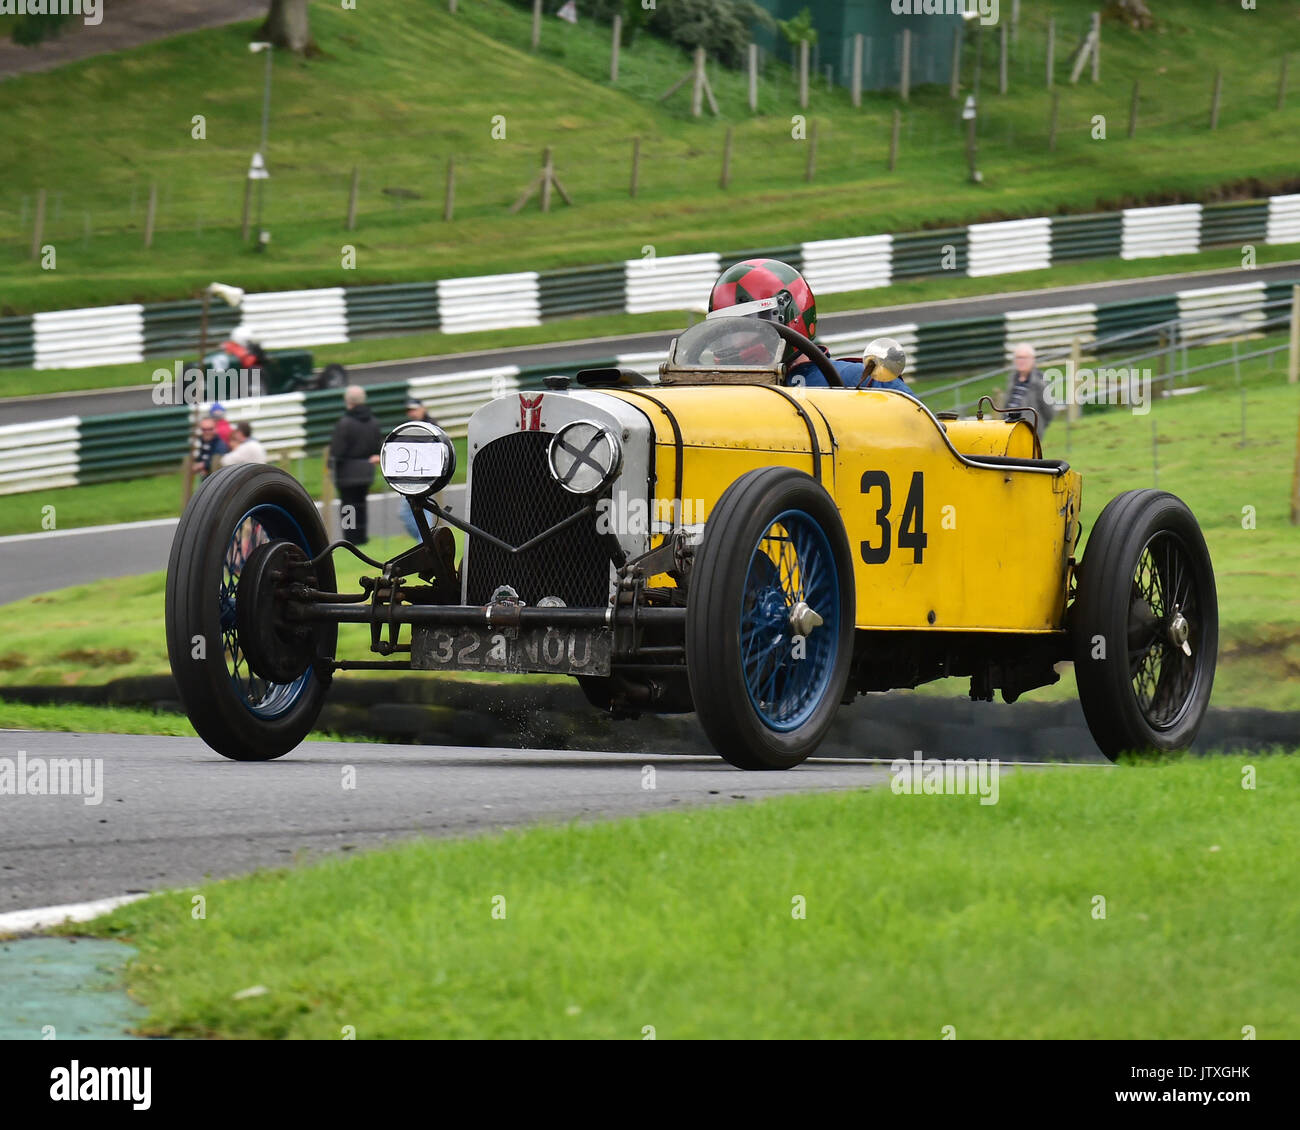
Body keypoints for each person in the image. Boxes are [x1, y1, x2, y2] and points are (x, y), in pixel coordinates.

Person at [707, 258, 914, 395]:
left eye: (742, 328)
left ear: (787, 317)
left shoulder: (861, 382)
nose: (731, 342)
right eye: (725, 331)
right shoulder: (713, 392)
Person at [329, 385, 382, 545]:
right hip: (366, 471)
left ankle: (350, 539)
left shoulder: (345, 423)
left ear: (348, 401)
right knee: (360, 505)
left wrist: (331, 465)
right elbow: (377, 446)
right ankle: (362, 536)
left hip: (347, 472)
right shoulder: (373, 422)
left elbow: (337, 450)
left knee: (348, 506)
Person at [1003, 343, 1055, 434]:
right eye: (1018, 358)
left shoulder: (1040, 381)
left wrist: (1038, 428)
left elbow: (1049, 412)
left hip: (1028, 433)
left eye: (1024, 358)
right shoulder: (1012, 379)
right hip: (1008, 431)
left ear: (1032, 360)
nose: (1021, 361)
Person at [192, 415, 229, 480]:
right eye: (204, 429)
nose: (207, 432)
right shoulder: (200, 442)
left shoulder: (220, 445)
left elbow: (218, 462)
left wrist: (203, 465)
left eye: (210, 429)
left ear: (216, 429)